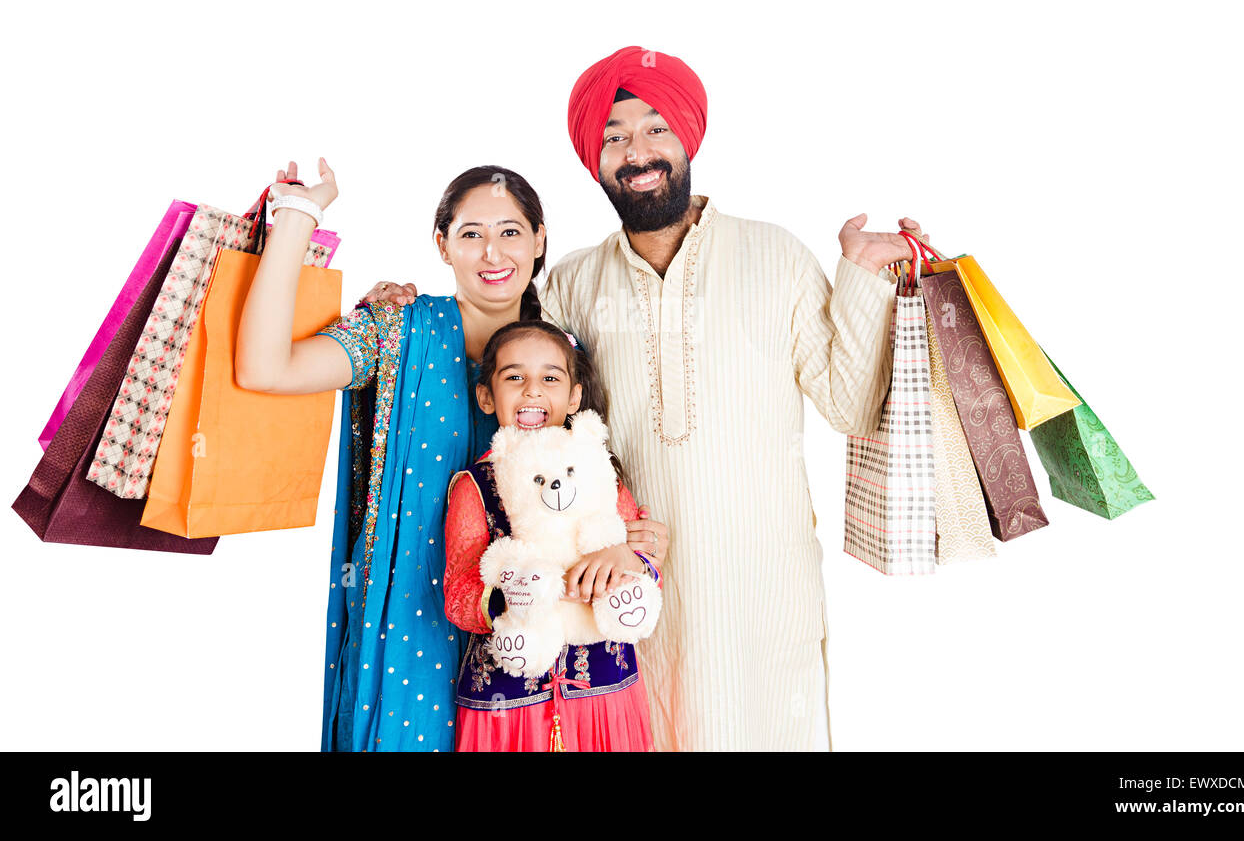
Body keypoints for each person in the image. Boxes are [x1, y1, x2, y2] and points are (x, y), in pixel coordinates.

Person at [363, 46, 926, 750]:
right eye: (614, 135)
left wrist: (865, 278)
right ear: (595, 160)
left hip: (760, 584)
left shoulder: (775, 257)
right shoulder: (571, 284)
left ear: (688, 135)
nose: (637, 151)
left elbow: (848, 405)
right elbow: (501, 371)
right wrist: (398, 319)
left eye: (656, 127)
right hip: (610, 597)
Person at [233, 160, 670, 752]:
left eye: (511, 231)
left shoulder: (562, 354)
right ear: (442, 245)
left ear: (540, 241)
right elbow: (264, 368)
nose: (493, 252)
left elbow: (604, 491)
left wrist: (637, 547)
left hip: (546, 670)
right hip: (412, 617)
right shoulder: (399, 331)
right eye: (471, 233)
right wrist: (298, 215)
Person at [444, 319, 660, 751]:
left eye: (549, 378)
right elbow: (458, 593)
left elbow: (642, 555)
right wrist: (510, 595)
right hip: (507, 703)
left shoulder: (599, 471)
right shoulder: (475, 485)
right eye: (514, 377)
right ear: (486, 397)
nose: (532, 390)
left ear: (574, 395)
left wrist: (630, 562)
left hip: (603, 692)